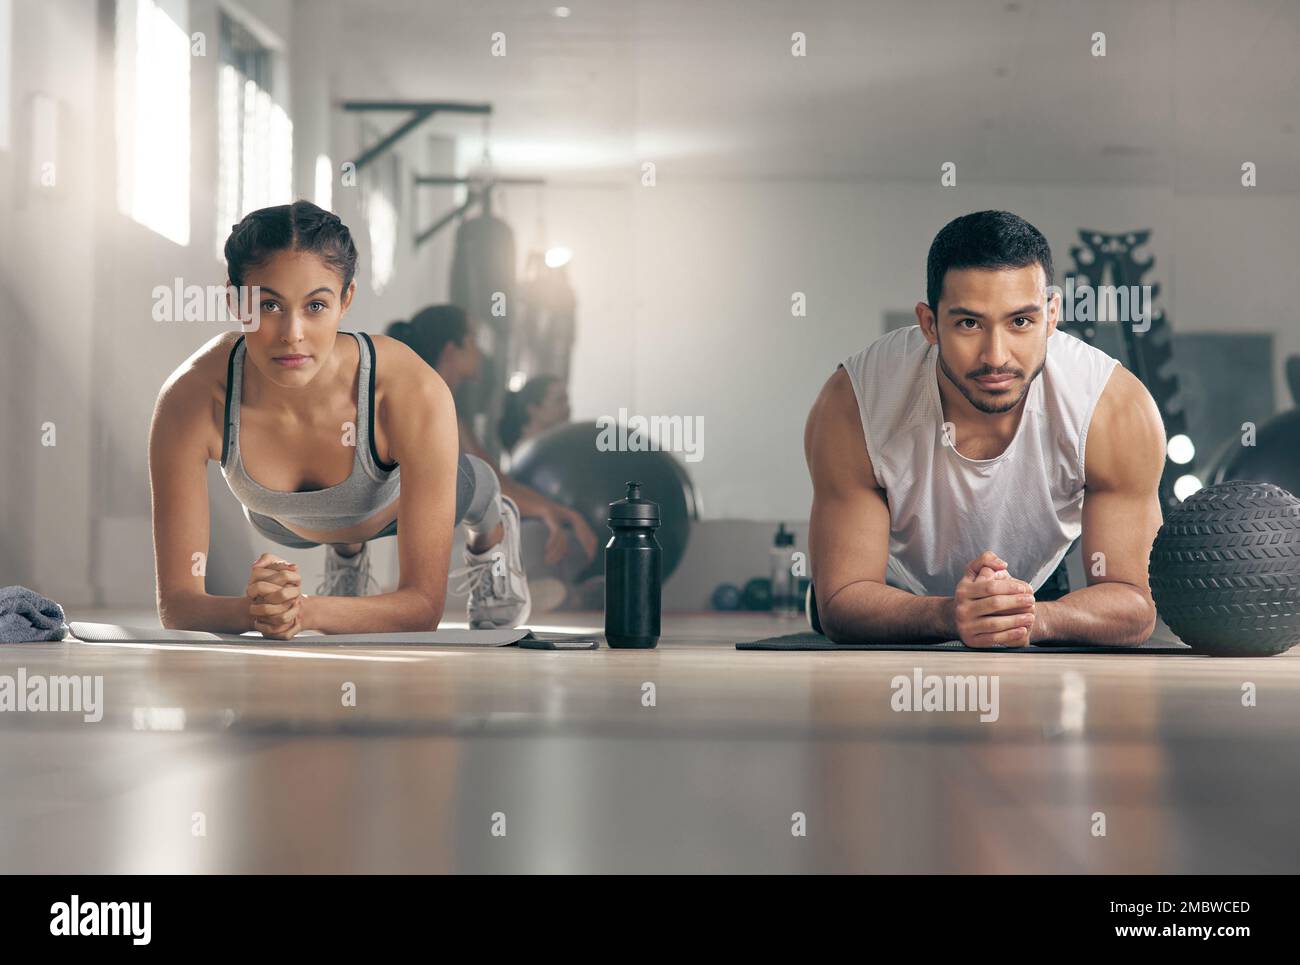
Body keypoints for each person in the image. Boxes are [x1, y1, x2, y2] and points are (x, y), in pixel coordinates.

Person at [148, 200, 529, 639]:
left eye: (315, 306)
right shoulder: (191, 396)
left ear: (346, 299)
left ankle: (492, 539)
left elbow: (422, 608)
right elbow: (177, 605)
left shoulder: (410, 388)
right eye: (269, 306)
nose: (292, 333)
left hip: (393, 507)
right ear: (235, 301)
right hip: (284, 523)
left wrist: (303, 612)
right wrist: (260, 611)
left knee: (474, 485)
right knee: (338, 537)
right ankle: (347, 552)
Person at [804, 210, 1165, 648]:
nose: (996, 356)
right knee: (834, 611)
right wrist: (948, 614)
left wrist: (1026, 617)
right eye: (969, 323)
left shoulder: (1113, 407)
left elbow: (1134, 604)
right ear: (929, 324)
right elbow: (843, 599)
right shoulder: (854, 402)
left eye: (1020, 322)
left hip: (1037, 589)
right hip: (892, 588)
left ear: (1052, 316)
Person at [386, 307, 597, 568]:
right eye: (474, 340)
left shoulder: (453, 414)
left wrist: (562, 513)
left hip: (461, 539)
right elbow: (478, 489)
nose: (480, 352)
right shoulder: (425, 409)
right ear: (452, 350)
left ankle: (559, 594)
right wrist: (548, 511)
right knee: (546, 537)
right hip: (436, 554)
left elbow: (497, 481)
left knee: (557, 533)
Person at [498, 375, 570, 460]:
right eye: (559, 401)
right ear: (534, 409)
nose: (567, 408)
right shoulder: (527, 452)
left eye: (566, 400)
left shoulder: (553, 446)